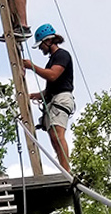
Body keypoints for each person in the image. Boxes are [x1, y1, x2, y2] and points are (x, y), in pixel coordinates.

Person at [22, 23, 73, 173]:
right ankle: (64, 169)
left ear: (49, 41)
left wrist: (32, 66)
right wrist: (32, 96)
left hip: (62, 99)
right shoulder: (52, 60)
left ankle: (66, 170)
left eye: (41, 45)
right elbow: (50, 88)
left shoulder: (62, 55)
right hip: (54, 99)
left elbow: (52, 75)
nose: (40, 48)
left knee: (58, 134)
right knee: (53, 136)